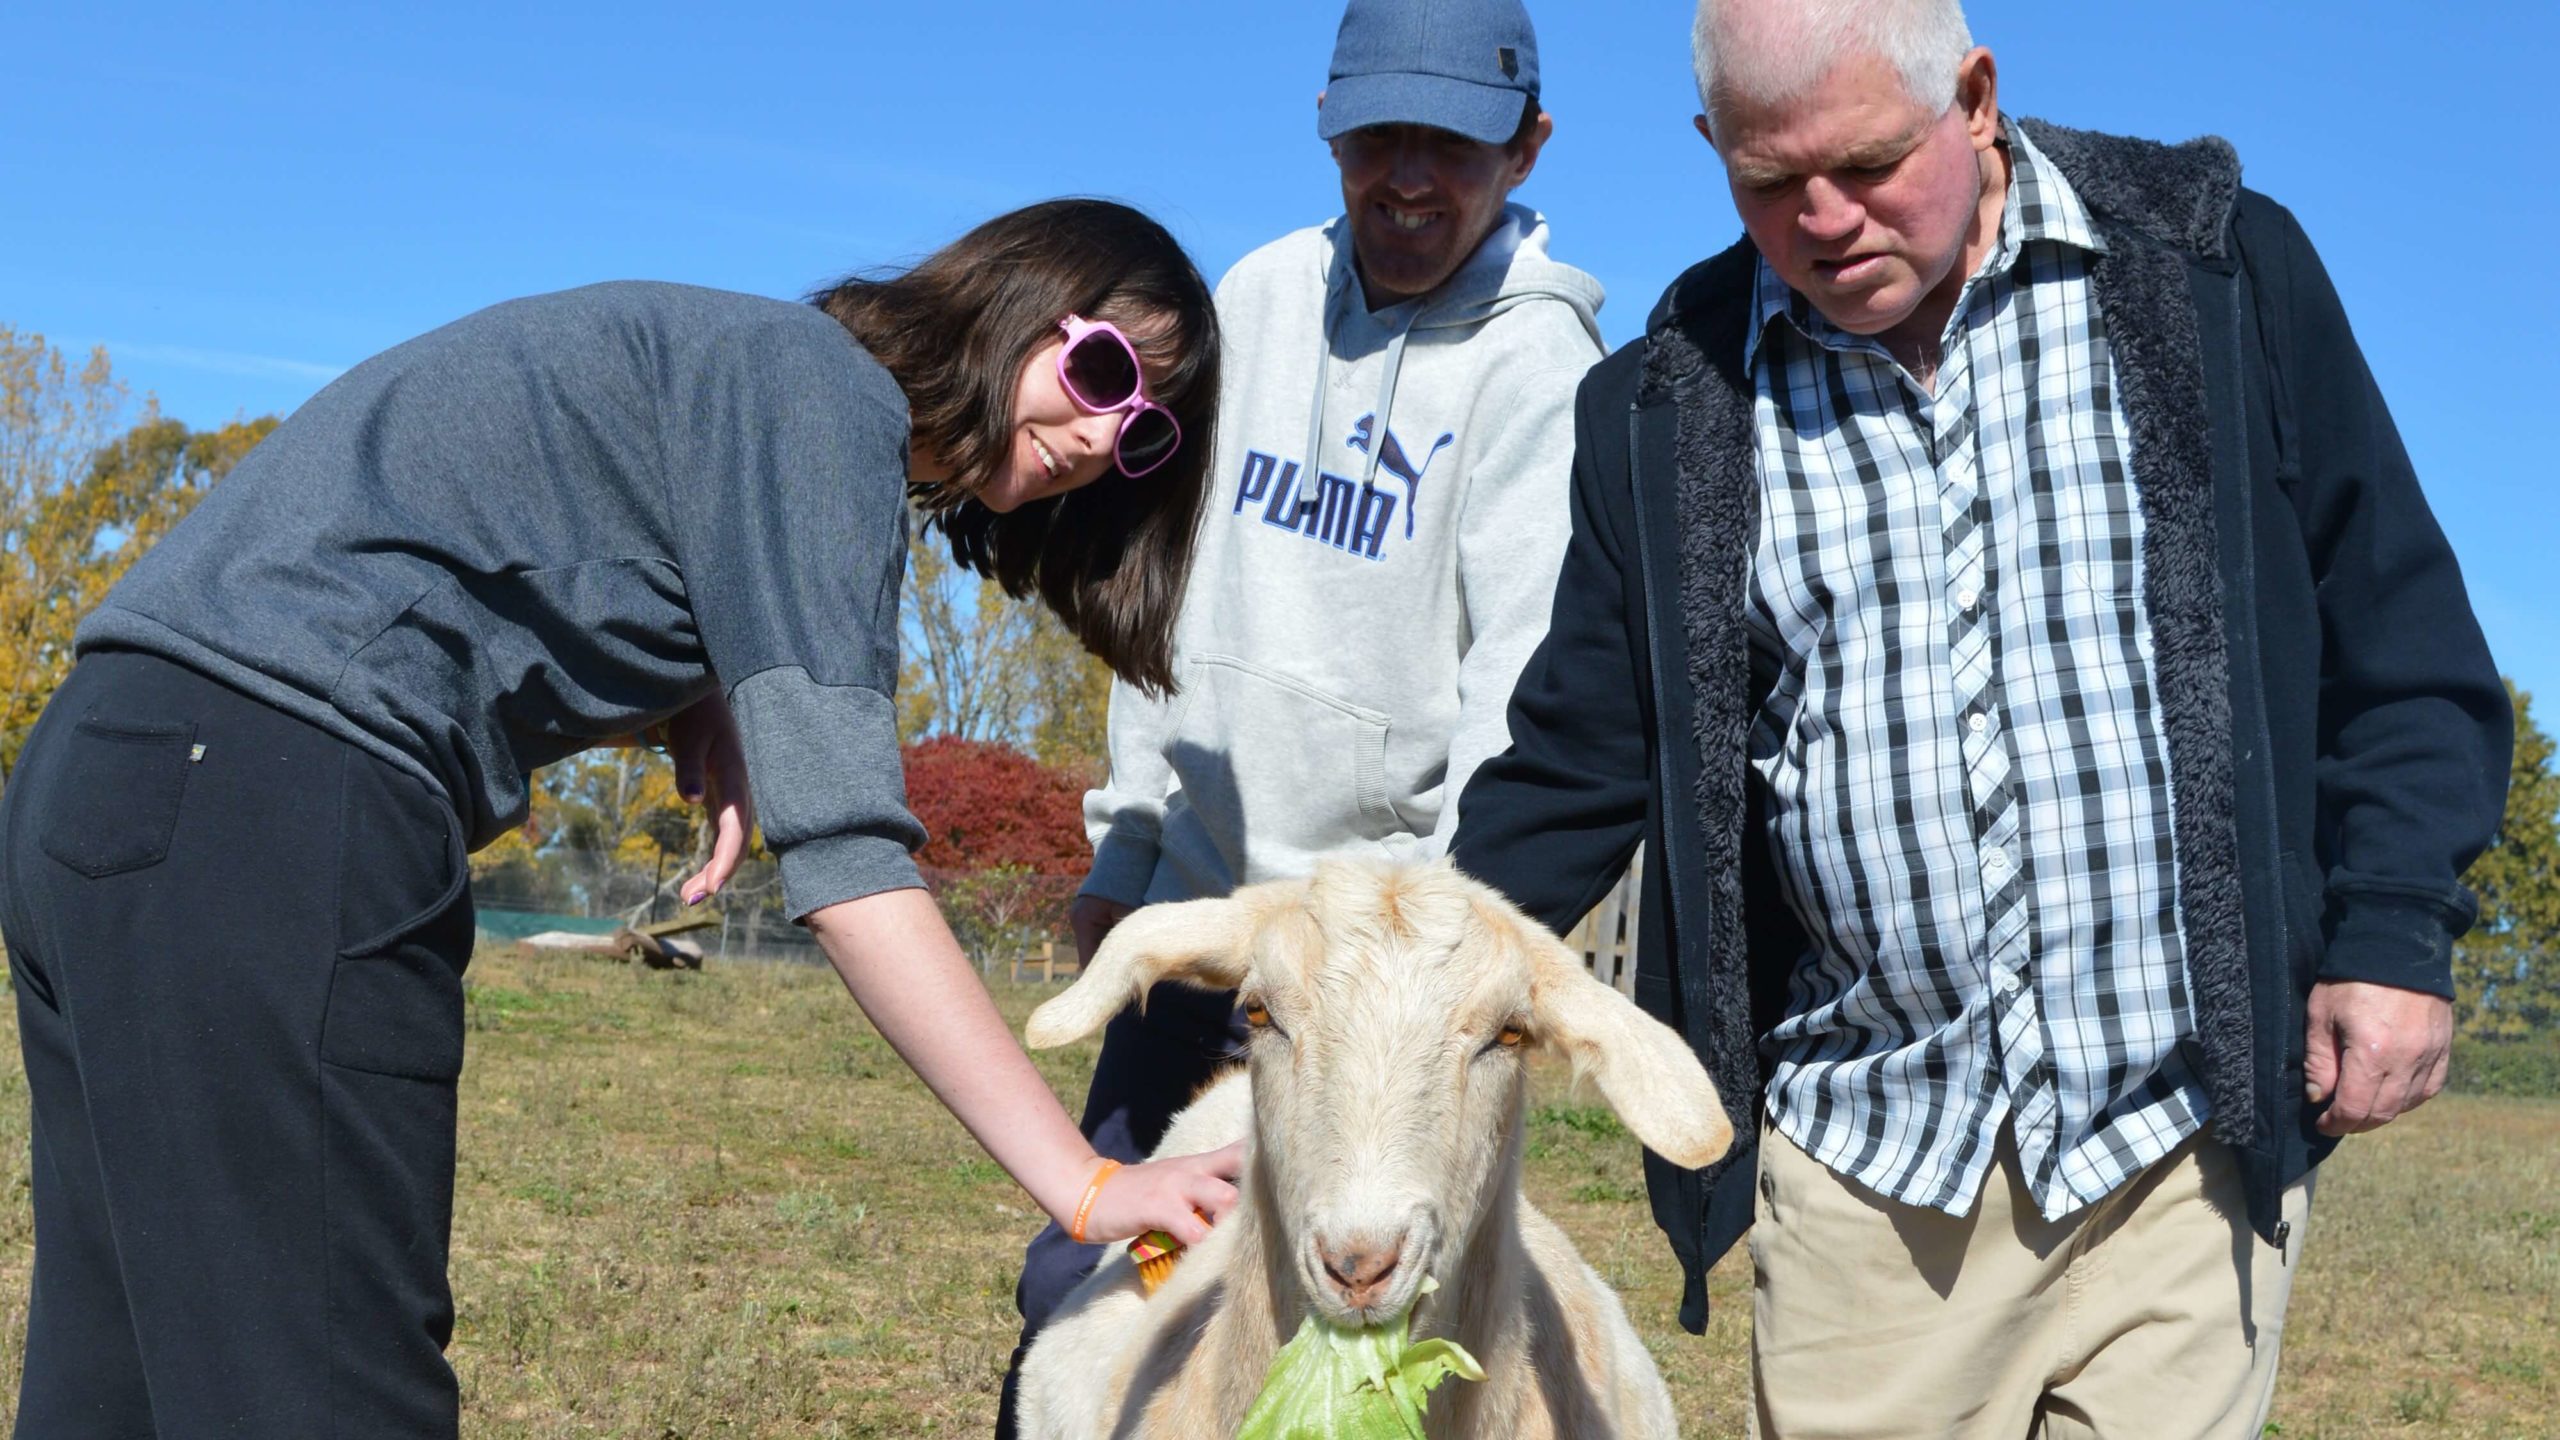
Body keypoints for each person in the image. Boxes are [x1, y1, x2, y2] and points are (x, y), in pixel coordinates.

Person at [0, 198, 1246, 1437]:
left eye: (1143, 437)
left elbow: (517, 533)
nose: (1099, 437)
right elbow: (853, 866)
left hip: (106, 775)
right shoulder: (829, 403)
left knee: (116, 1385)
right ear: (1014, 300)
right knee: (327, 1388)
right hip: (273, 810)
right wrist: (1085, 1182)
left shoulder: (744, 369)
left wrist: (693, 697)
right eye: (1101, 373)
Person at [1449, 2, 2513, 1436]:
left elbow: (2399, 638)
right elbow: (1578, 759)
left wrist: (2393, 929)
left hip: (2180, 1153)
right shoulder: (1665, 403)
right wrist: (1397, 973)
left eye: (1873, 163)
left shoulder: (2219, 270)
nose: (1824, 220)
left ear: (1976, 96)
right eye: (1768, 182)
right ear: (1712, 149)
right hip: (1872, 1182)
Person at [995, 0, 1604, 1428]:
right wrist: (1125, 853)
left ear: (1525, 147)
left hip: (1367, 998)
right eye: (1374, 132)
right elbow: (1171, 605)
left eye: (1449, 141)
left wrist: (1419, 982)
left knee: (1364, 1336)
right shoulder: (1255, 298)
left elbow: (1517, 693)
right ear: (1326, 125)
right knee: (1092, 1291)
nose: (1405, 174)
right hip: (1209, 928)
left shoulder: (1541, 377)